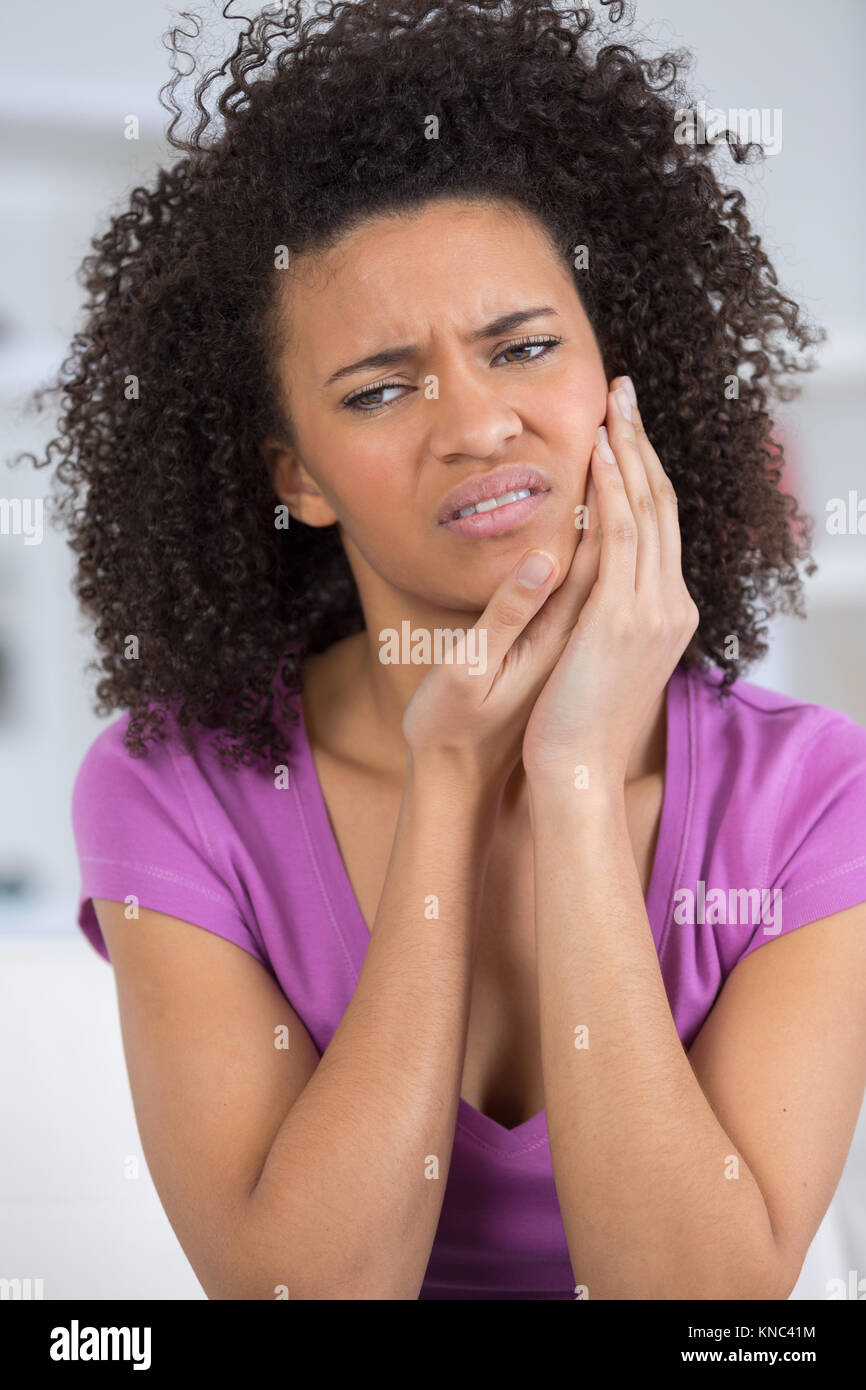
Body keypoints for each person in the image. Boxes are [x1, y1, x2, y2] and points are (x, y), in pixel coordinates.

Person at [34, 0, 866, 1298]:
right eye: (377, 388)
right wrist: (449, 782)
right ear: (296, 475)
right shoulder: (171, 793)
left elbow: (705, 1315)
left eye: (524, 346)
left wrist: (578, 777)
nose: (476, 424)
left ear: (615, 378)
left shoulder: (810, 793)